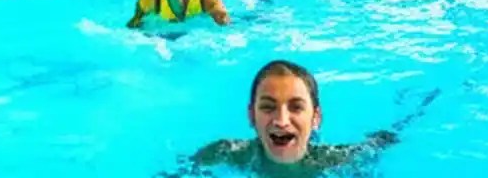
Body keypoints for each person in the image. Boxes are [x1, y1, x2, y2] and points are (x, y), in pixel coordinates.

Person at [181, 60, 435, 174]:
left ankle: (413, 104)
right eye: (268, 107)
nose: (281, 120)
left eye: (296, 107)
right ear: (251, 115)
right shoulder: (225, 153)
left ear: (316, 118)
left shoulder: (337, 163)